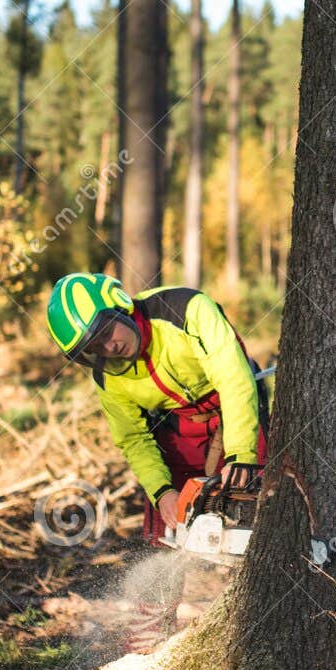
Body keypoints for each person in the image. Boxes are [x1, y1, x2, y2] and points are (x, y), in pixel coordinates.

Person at [45, 272, 267, 650]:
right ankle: (148, 643)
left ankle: (258, 626)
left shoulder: (185, 310)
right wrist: (162, 491)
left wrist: (242, 454)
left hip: (236, 408)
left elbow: (234, 378)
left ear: (119, 305)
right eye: (93, 346)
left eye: (106, 332)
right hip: (175, 427)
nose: (107, 347)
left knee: (258, 517)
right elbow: (133, 437)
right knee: (162, 531)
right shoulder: (109, 378)